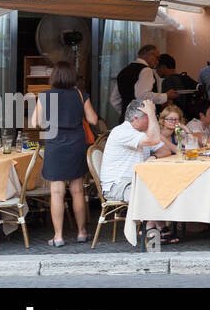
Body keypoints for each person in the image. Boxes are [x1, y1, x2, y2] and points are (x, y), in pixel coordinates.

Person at [29, 60, 99, 246]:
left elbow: (35, 123)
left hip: (55, 146)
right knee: (77, 190)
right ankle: (82, 233)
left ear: (54, 77)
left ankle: (58, 237)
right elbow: (93, 119)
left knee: (56, 192)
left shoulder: (45, 96)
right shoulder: (80, 95)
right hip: (76, 145)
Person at [99, 99, 171, 204]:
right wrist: (151, 113)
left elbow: (165, 150)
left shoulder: (143, 133)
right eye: (149, 117)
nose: (152, 120)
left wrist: (153, 157)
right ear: (136, 118)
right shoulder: (122, 131)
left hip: (135, 182)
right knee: (155, 197)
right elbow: (154, 139)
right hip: (118, 186)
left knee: (167, 188)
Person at [112, 44, 177, 113]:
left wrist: (126, 113)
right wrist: (166, 96)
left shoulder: (124, 71)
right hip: (142, 117)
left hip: (126, 117)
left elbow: (114, 100)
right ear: (149, 55)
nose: (157, 62)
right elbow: (142, 96)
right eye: (157, 57)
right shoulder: (146, 70)